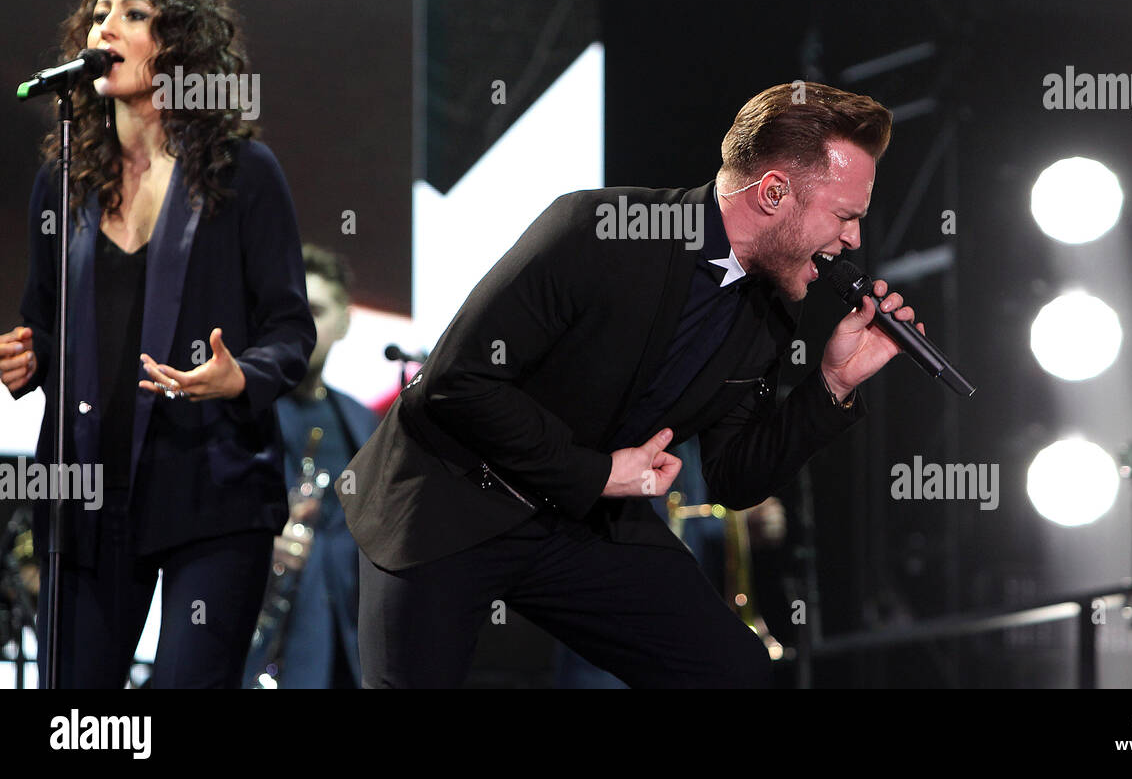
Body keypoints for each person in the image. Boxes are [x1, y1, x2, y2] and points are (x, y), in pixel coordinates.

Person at [341, 81, 924, 689]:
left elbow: (734, 478)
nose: (854, 240)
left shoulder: (771, 305)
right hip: (450, 498)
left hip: (581, 523)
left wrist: (830, 384)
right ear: (775, 192)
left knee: (736, 674)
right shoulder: (598, 230)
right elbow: (458, 384)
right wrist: (597, 474)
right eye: (845, 216)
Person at [0, 0, 314, 688]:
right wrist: (28, 355)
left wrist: (239, 378)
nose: (106, 28)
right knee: (82, 724)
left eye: (133, 14)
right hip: (85, 492)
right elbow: (42, 323)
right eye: (100, 13)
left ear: (179, 45)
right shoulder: (64, 181)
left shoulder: (240, 172)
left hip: (209, 487)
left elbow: (290, 331)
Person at [243, 244, 377, 689]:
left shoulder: (366, 424)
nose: (303, 325)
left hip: (353, 647)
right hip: (255, 645)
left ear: (345, 321)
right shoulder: (239, 413)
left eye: (316, 310)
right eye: (291, 310)